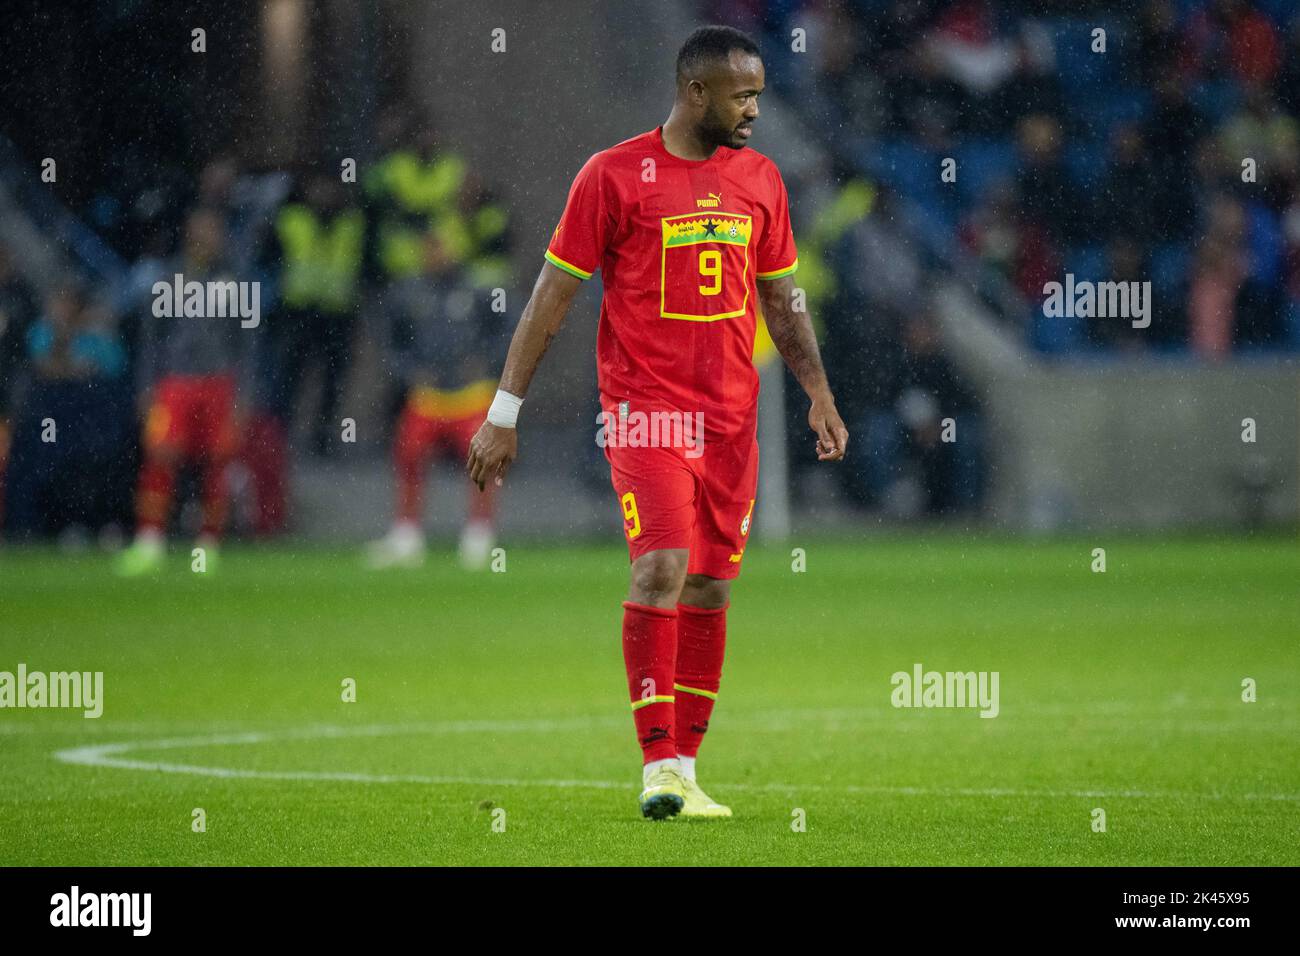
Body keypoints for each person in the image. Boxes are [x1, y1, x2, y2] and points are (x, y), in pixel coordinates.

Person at [466, 26, 848, 820]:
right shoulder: (613, 176)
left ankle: (687, 768)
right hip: (646, 414)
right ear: (695, 92)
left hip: (732, 420)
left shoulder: (762, 181)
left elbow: (781, 298)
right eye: (742, 95)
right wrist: (505, 411)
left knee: (709, 587)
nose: (753, 110)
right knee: (661, 568)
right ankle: (657, 765)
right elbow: (552, 298)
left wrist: (818, 390)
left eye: (760, 96)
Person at [116, 208, 253, 575]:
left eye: (216, 229)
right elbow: (150, 340)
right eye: (206, 228)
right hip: (175, 384)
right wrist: (147, 387)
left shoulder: (235, 280)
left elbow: (248, 343)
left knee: (217, 465)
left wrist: (245, 394)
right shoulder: (168, 278)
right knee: (160, 460)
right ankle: (149, 542)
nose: (213, 236)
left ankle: (207, 546)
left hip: (219, 384)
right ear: (191, 233)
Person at [366, 233, 505, 569]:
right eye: (430, 248)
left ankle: (479, 535)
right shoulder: (408, 292)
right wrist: (408, 372)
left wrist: (486, 363)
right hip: (427, 396)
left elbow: (508, 332)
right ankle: (406, 535)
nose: (436, 254)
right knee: (409, 457)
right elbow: (388, 342)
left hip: (470, 395)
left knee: (483, 464)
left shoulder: (479, 290)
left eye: (441, 246)